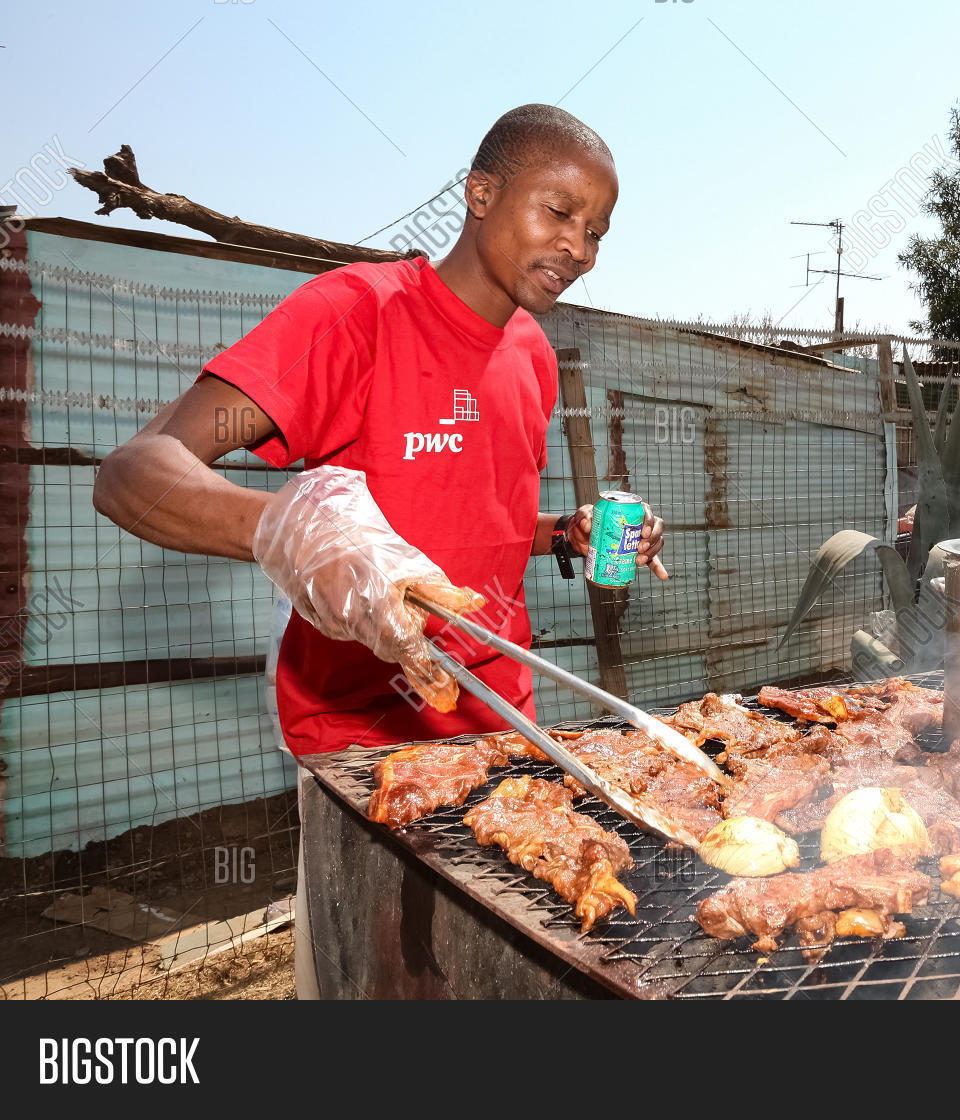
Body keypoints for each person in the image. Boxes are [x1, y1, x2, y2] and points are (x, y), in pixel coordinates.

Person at [92, 104, 665, 993]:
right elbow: (134, 468)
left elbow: (473, 523)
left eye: (598, 230)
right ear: (480, 193)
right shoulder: (355, 315)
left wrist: (564, 532)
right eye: (558, 212)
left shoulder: (532, 355)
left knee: (504, 992)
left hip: (501, 735)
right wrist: (283, 528)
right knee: (388, 994)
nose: (580, 248)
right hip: (367, 750)